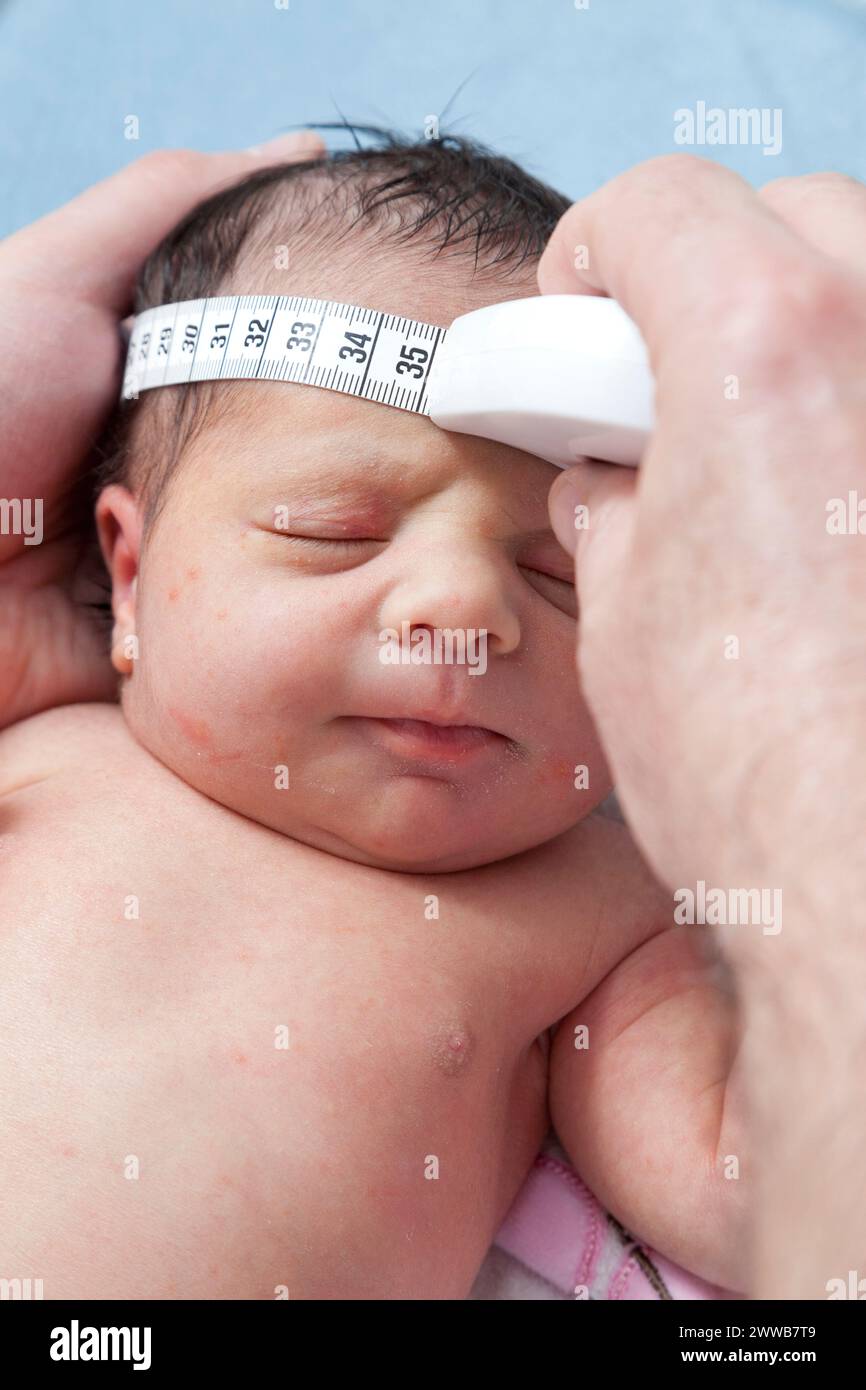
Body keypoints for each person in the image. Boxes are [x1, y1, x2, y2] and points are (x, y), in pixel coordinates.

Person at [542, 155, 866, 1299]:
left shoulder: (611, 903)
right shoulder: (49, 760)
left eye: (548, 578)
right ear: (125, 573)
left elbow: (750, 1185)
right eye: (330, 533)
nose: (453, 613)